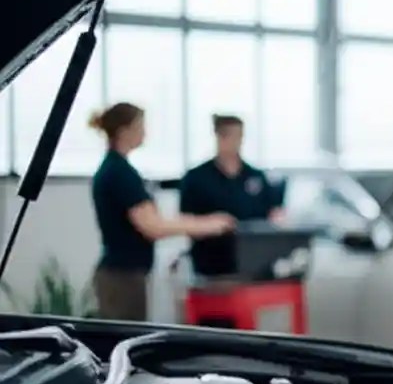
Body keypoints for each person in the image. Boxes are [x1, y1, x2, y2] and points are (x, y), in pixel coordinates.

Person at [88, 103, 236, 321]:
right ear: (124, 131)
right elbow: (153, 227)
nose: (145, 132)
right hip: (121, 276)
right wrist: (208, 225)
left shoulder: (121, 169)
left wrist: (205, 222)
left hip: (130, 273)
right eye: (140, 126)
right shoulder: (119, 172)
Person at [179, 114, 285, 277]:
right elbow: (185, 221)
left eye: (238, 136)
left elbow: (272, 212)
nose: (235, 141)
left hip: (253, 262)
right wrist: (212, 224)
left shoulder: (255, 176)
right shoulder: (196, 178)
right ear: (218, 136)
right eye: (228, 135)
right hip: (211, 263)